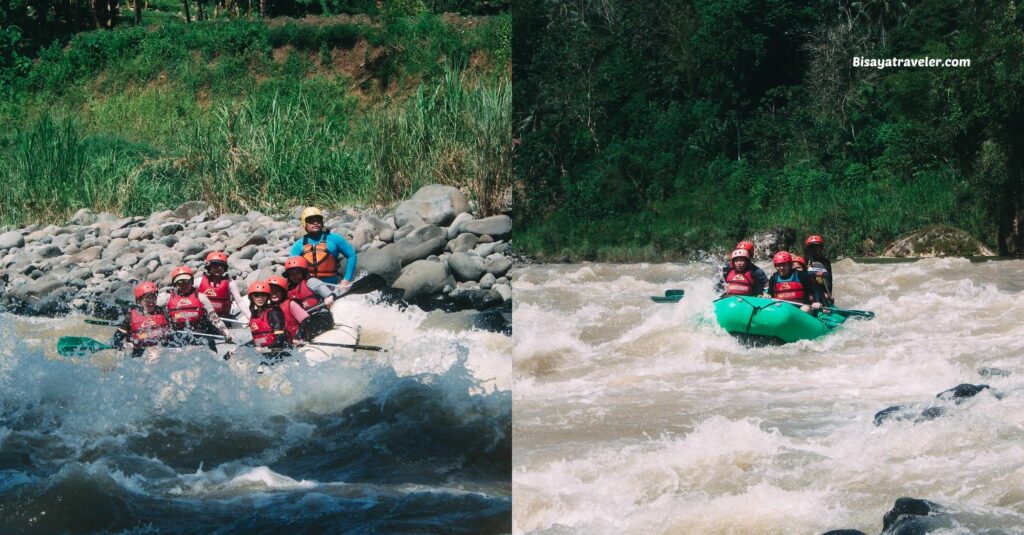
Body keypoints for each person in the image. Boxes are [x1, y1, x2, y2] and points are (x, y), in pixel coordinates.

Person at [157, 266, 233, 351]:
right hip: (177, 334)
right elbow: (152, 310)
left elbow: (214, 318)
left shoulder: (201, 297)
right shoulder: (166, 298)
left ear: (192, 281)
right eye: (180, 282)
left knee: (206, 343)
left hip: (198, 333)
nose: (184, 285)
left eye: (187, 281)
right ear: (175, 284)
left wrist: (226, 332)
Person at [288, 207, 357, 288]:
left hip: (331, 285)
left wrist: (346, 279)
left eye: (318, 220)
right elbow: (291, 267)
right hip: (309, 286)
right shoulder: (298, 244)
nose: (315, 223)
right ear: (304, 224)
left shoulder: (335, 239)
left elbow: (352, 255)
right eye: (311, 221)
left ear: (322, 222)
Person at [112, 281, 172, 358]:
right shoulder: (130, 317)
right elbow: (115, 340)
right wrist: (124, 346)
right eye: (147, 298)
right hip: (139, 353)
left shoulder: (164, 313)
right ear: (139, 300)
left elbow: (174, 334)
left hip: (161, 351)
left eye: (153, 297)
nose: (151, 301)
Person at [283, 256, 337, 341]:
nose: (294, 276)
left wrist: (330, 298)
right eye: (291, 274)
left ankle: (298, 340)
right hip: (304, 320)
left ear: (303, 272)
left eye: (297, 273)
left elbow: (330, 294)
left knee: (306, 324)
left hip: (321, 317)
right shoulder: (288, 290)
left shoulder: (311, 282)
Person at [194, 251, 250, 321]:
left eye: (221, 266)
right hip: (203, 318)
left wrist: (249, 316)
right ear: (208, 267)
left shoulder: (230, 283)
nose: (219, 268)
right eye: (215, 265)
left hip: (224, 318)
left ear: (225, 268)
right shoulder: (198, 281)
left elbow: (239, 301)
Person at [267, 275, 305, 342]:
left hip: (295, 342)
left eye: (277, 290)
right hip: (276, 344)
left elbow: (306, 320)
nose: (274, 293)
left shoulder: (291, 304)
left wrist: (298, 336)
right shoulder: (267, 309)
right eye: (271, 291)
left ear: (283, 292)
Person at [803, 235, 834, 305]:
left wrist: (828, 293)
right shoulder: (805, 260)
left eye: (816, 246)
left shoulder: (826, 261)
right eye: (811, 246)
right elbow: (802, 277)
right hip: (809, 289)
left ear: (821, 247)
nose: (814, 248)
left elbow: (829, 279)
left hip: (822, 288)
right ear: (808, 249)